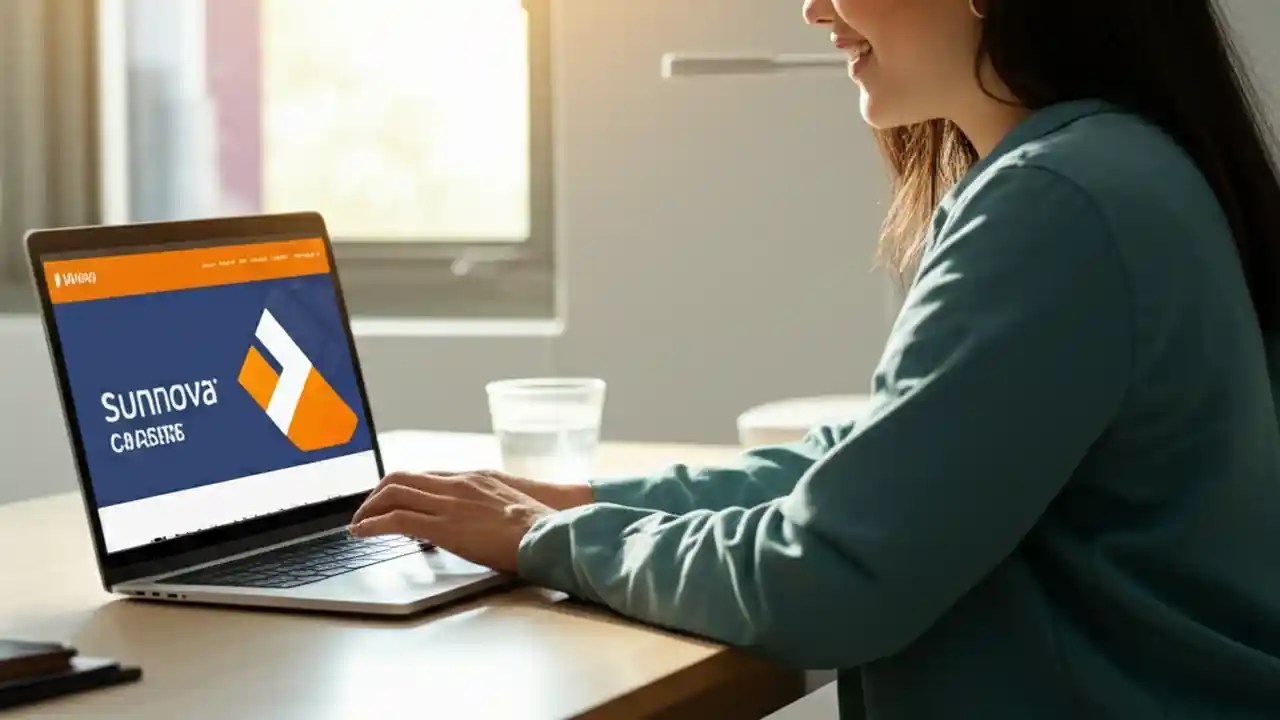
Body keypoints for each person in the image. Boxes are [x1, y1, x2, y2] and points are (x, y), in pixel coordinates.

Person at [350, 0, 1280, 716]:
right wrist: (592, 503)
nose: (812, 7)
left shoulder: (1059, 202)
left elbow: (829, 577)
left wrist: (544, 540)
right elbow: (876, 457)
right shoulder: (1111, 166)